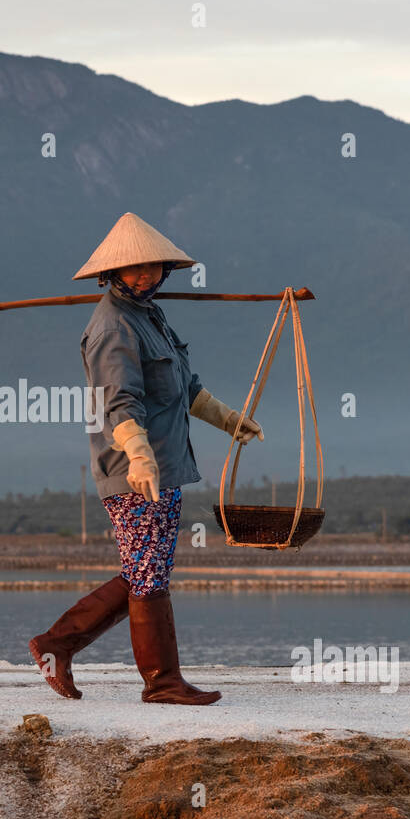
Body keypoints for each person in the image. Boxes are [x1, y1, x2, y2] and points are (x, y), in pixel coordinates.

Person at [29, 213, 263, 706]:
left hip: (167, 466)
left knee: (146, 570)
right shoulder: (112, 326)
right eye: (135, 270)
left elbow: (186, 388)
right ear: (112, 273)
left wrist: (228, 419)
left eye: (153, 268)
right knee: (148, 572)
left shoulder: (150, 316)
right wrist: (139, 458)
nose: (146, 277)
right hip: (136, 472)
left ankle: (60, 645)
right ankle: (158, 680)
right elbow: (121, 402)